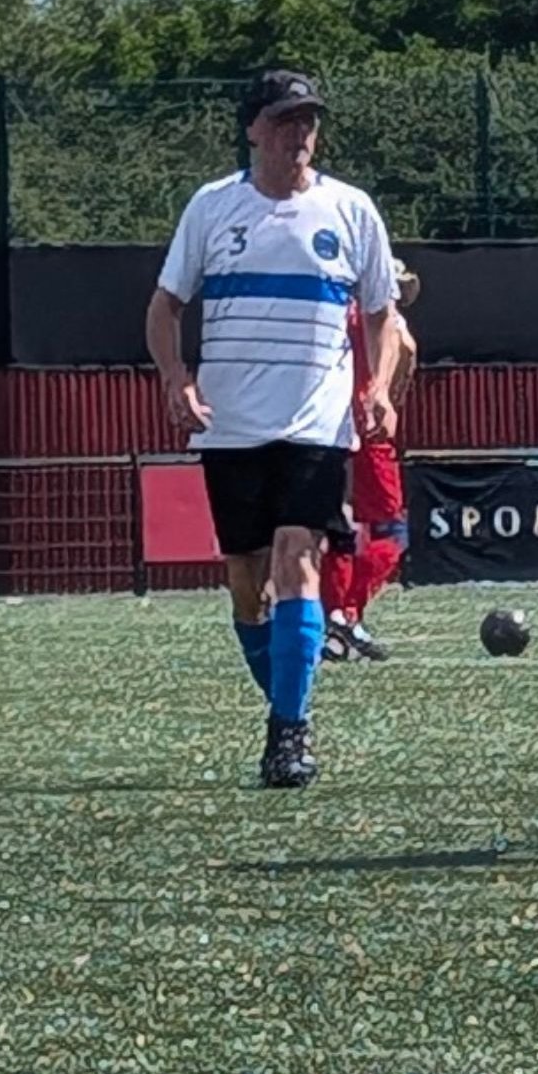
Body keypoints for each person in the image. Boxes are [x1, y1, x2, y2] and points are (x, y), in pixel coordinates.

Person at [146, 70, 400, 786]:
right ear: (253, 127)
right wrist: (176, 377)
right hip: (229, 424)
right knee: (245, 582)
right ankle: (288, 702)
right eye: (286, 119)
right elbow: (164, 306)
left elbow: (381, 311)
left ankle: (288, 732)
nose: (301, 133)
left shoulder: (350, 210)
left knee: (300, 558)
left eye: (309, 119)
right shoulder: (212, 207)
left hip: (316, 420)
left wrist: (376, 385)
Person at [323, 267, 420, 659]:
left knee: (335, 525)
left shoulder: (336, 311)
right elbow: (407, 351)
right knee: (391, 532)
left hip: (326, 422)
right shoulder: (388, 318)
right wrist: (392, 395)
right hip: (369, 425)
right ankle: (348, 614)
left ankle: (336, 617)